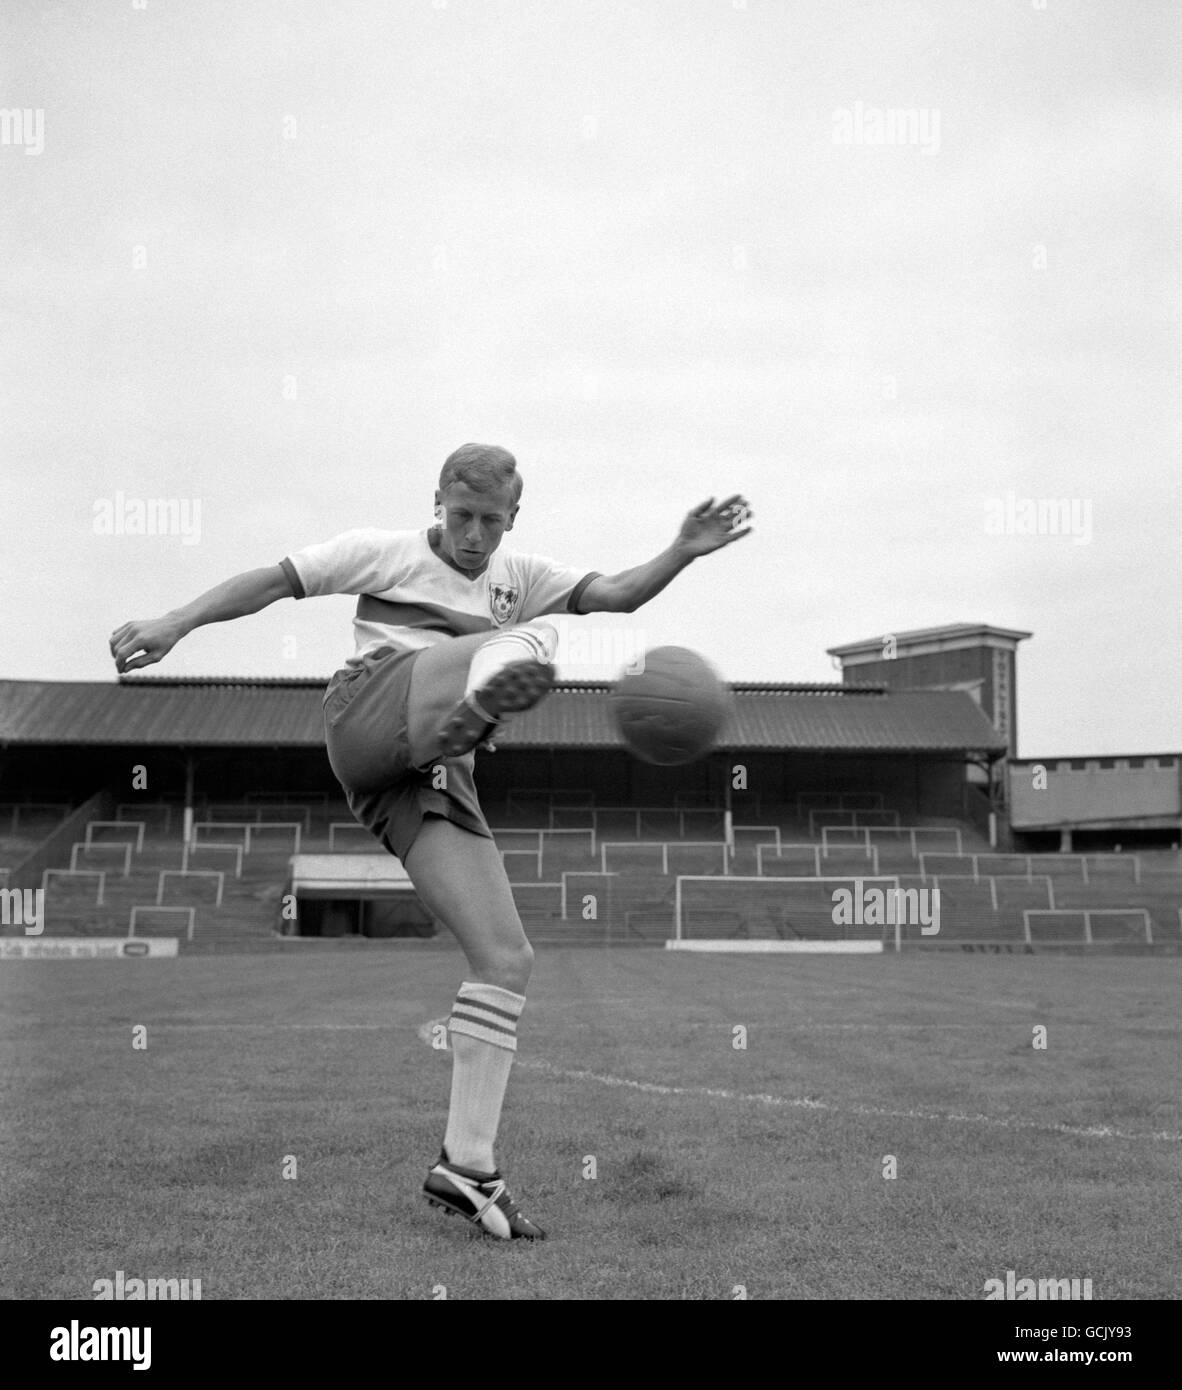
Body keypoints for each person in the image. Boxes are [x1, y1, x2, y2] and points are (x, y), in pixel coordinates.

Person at [110, 443, 752, 1239]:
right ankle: (477, 704)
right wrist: (176, 622)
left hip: (422, 777)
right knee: (536, 642)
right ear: (437, 503)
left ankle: (467, 1165)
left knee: (507, 958)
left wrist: (683, 551)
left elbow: (618, 594)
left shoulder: (521, 576)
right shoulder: (383, 553)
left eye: (491, 520)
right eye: (461, 515)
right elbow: (273, 581)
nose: (474, 534)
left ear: (514, 517)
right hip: (367, 714)